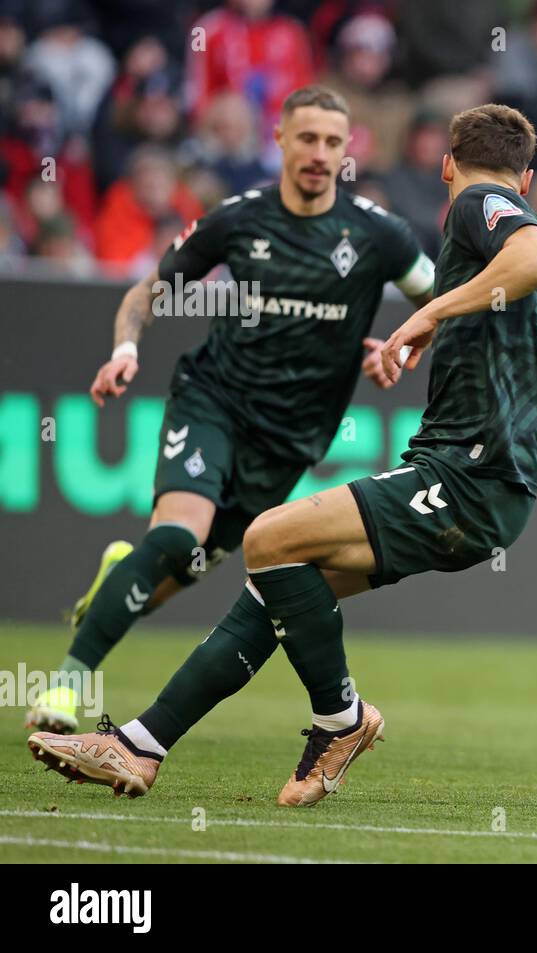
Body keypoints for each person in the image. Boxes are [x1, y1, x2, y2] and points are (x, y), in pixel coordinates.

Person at [27, 104, 537, 808]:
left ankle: (341, 717)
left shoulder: (475, 206)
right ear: (530, 175)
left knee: (266, 538)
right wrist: (519, 407)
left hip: (465, 474)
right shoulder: (534, 261)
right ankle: (139, 745)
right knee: (275, 587)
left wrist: (427, 314)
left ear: (447, 164)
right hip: (488, 487)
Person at [25, 86, 438, 734]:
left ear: (347, 150)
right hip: (214, 401)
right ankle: (66, 686)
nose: (319, 154)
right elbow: (152, 289)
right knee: (175, 536)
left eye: (333, 142)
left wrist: (401, 345)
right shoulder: (239, 218)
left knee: (176, 572)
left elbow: (440, 302)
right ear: (279, 138)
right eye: (307, 138)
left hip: (287, 445)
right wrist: (126, 347)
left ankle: (117, 577)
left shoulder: (379, 234)